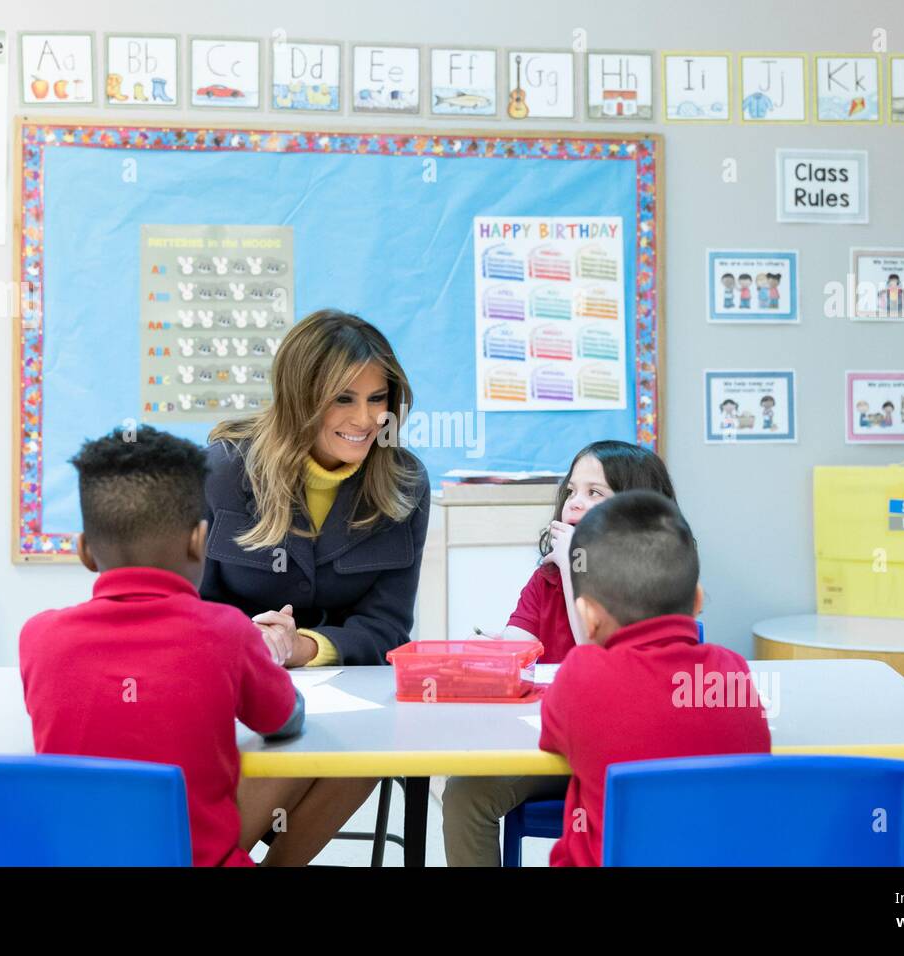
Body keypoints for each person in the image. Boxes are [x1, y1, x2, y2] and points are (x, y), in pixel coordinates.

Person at [202, 308, 431, 865]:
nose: (366, 418)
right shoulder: (226, 468)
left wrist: (303, 646)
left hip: (341, 695)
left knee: (376, 741)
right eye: (344, 398)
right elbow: (193, 604)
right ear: (301, 398)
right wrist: (253, 644)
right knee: (299, 742)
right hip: (229, 689)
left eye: (379, 398)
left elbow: (387, 627)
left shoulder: (404, 485)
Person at [19, 426, 303, 866]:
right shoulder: (229, 632)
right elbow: (284, 719)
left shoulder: (39, 637)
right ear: (198, 540)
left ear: (84, 552)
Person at [442, 440, 677, 866]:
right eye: (571, 491)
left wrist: (576, 568)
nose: (574, 504)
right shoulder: (546, 580)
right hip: (551, 745)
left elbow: (604, 660)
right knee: (464, 792)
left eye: (594, 493)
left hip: (626, 751)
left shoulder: (651, 585)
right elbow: (518, 642)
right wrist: (494, 652)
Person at [540, 490, 771, 866]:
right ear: (697, 600)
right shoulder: (732, 672)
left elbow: (553, 740)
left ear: (588, 617)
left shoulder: (581, 674)